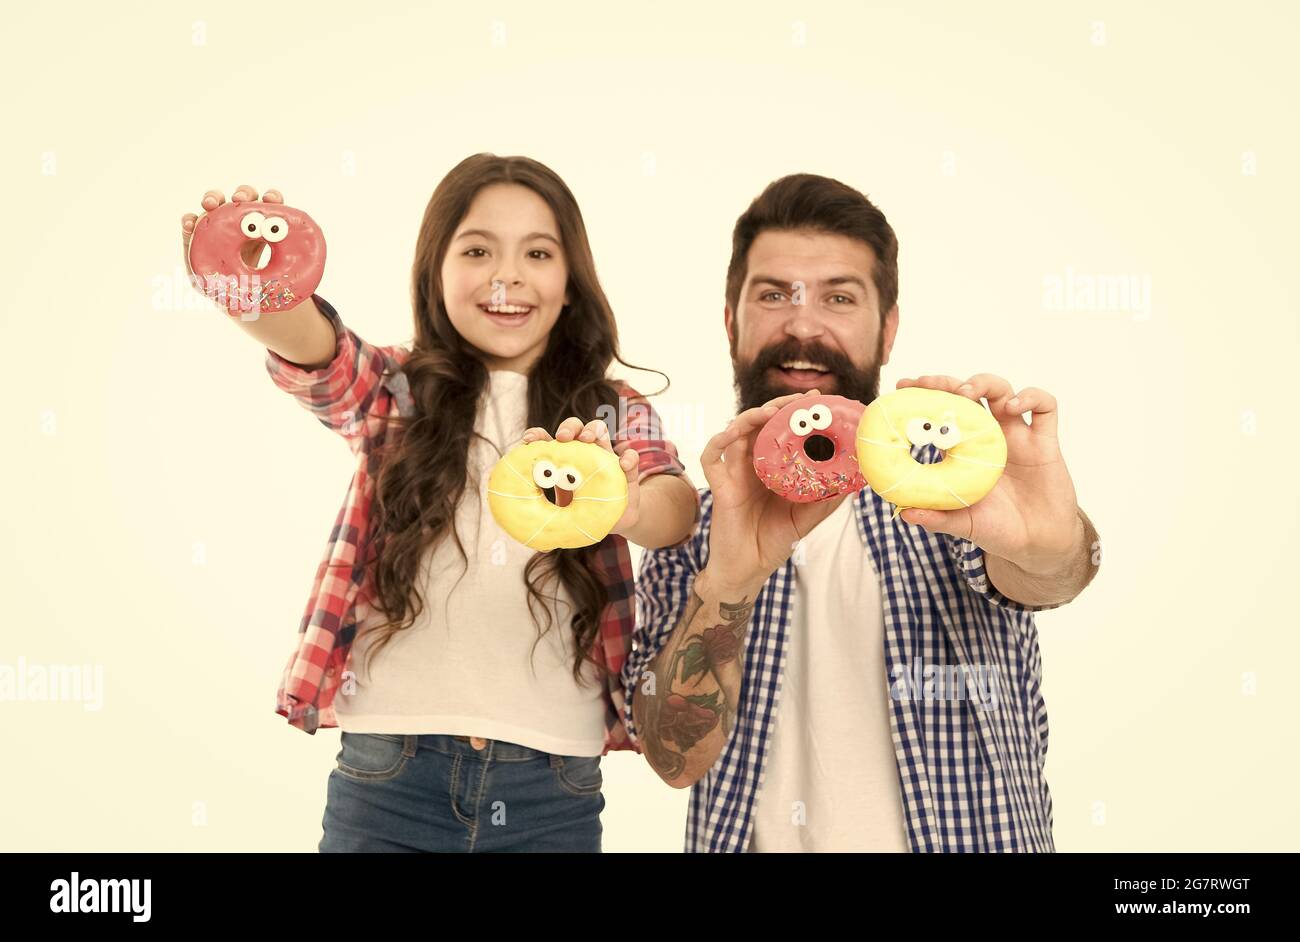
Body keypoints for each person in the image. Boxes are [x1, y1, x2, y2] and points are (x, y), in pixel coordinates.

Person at [179, 154, 700, 852]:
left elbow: (676, 509)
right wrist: (257, 280)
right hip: (389, 773)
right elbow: (314, 352)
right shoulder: (395, 390)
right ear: (435, 271)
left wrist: (627, 507)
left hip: (553, 782)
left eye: (538, 253)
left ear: (571, 282)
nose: (507, 276)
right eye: (478, 250)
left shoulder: (611, 409)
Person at [624, 173, 1100, 852]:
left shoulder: (951, 495)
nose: (802, 324)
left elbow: (1049, 574)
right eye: (772, 294)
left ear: (888, 329)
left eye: (839, 297)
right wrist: (726, 583)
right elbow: (673, 759)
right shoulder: (687, 525)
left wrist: (1048, 542)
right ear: (731, 321)